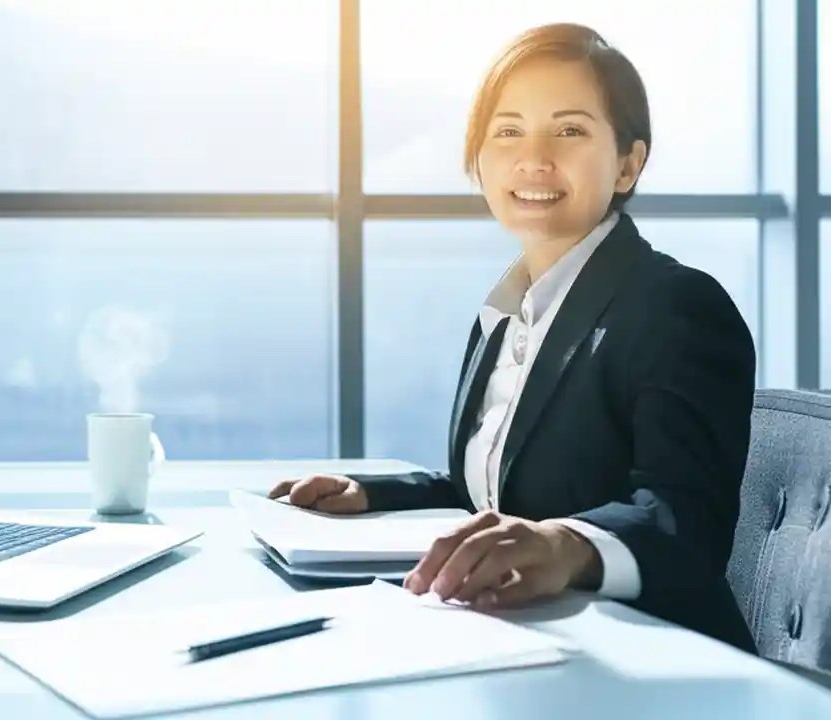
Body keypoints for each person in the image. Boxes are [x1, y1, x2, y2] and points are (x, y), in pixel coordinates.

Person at [268, 22, 757, 653]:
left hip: (664, 664)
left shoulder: (677, 305)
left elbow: (685, 522)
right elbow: (500, 494)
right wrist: (369, 494)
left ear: (629, 163)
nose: (534, 158)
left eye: (570, 130)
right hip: (525, 644)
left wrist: (564, 543)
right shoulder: (507, 312)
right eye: (508, 131)